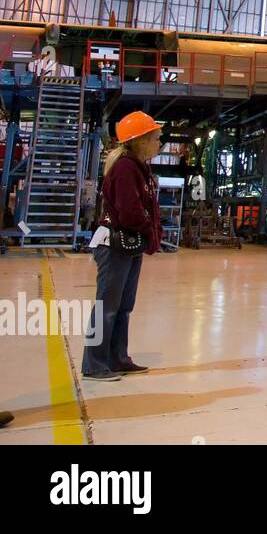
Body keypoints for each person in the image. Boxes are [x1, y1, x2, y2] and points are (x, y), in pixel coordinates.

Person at [82, 111, 164, 382]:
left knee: (123, 306)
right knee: (107, 305)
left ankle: (117, 358)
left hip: (129, 245)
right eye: (156, 138)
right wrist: (150, 233)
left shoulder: (138, 166)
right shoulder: (127, 168)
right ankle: (94, 365)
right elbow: (129, 211)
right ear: (141, 140)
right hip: (115, 245)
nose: (159, 143)